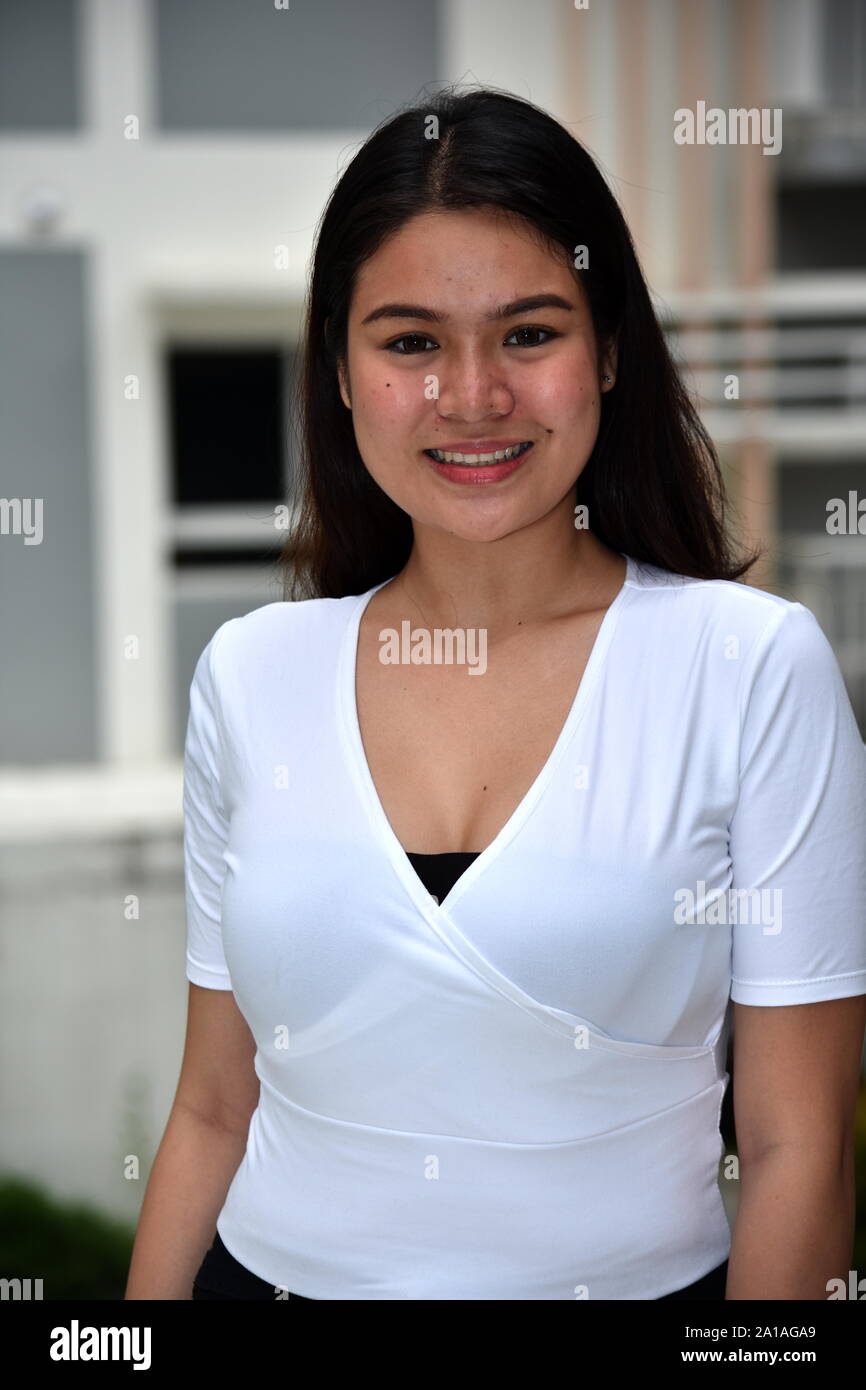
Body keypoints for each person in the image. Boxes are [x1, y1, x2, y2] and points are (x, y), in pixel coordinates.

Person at [125, 86, 866, 1302]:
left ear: (610, 348)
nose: (470, 396)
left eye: (529, 333)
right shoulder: (250, 675)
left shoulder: (747, 670)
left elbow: (797, 1152)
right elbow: (213, 1107)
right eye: (409, 340)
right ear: (343, 371)